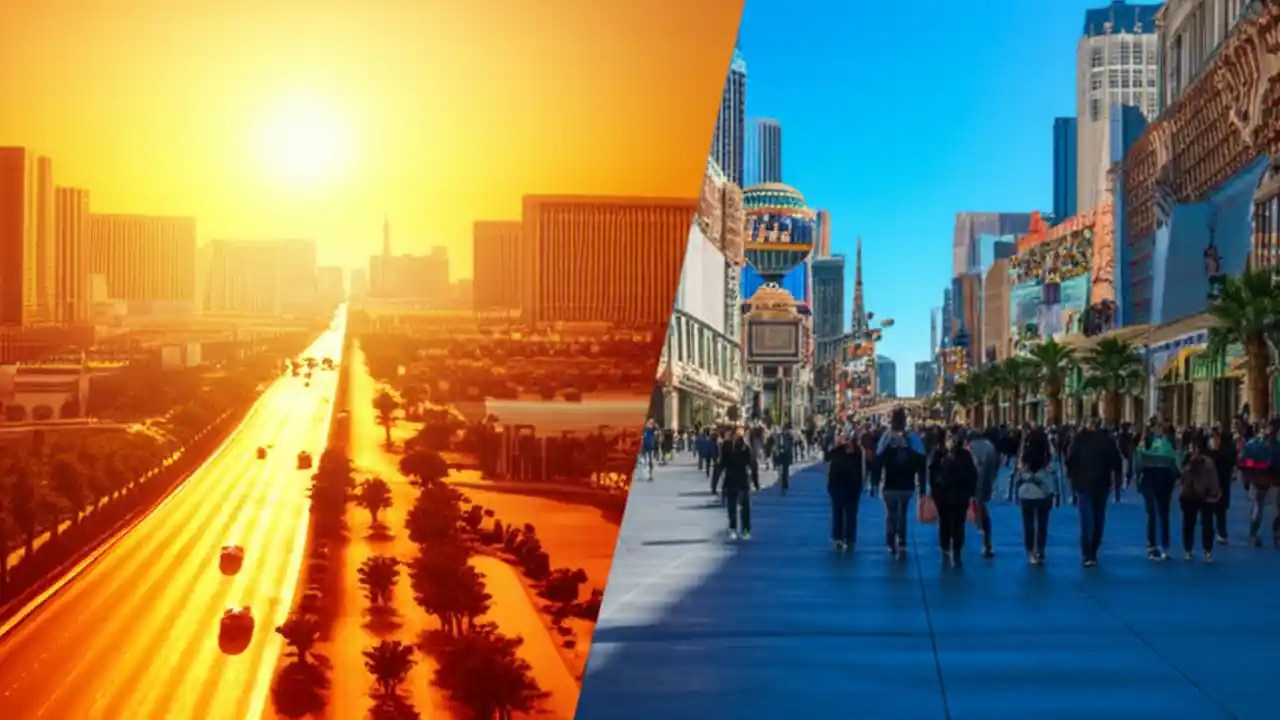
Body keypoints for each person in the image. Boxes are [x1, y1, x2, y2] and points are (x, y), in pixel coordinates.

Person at [1065, 417, 1121, 567]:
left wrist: (1072, 478)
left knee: (1088, 520)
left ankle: (1088, 553)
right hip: (1100, 484)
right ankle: (1091, 552)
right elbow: (1116, 461)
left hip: (1085, 484)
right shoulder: (1106, 440)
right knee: (1097, 519)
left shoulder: (1079, 439)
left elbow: (1070, 460)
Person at [876, 408, 926, 559]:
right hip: (907, 485)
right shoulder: (912, 438)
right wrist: (922, 487)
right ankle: (902, 540)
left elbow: (879, 458)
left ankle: (891, 541)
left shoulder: (886, 438)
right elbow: (921, 458)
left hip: (889, 485)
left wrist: (875, 481)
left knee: (891, 514)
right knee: (902, 513)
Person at [927, 428, 979, 567]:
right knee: (949, 522)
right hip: (948, 495)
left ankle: (953, 549)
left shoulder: (961, 455)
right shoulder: (940, 454)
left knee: (955, 523)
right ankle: (949, 548)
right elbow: (932, 473)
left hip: (956, 495)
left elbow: (972, 475)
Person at [1014, 428, 1064, 565]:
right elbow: (1055, 472)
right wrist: (1056, 493)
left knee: (1028, 523)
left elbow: (1019, 471)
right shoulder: (1048, 455)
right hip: (1044, 493)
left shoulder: (1025, 455)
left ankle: (1030, 551)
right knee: (1042, 524)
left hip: (1026, 493)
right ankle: (1040, 550)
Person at [1135, 424, 1181, 561]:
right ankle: (1163, 546)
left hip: (1150, 479)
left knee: (1153, 514)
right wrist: (1177, 477)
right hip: (1164, 480)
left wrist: (1137, 477)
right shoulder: (1168, 444)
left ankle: (1153, 546)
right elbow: (1176, 462)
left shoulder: (1145, 444)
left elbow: (1138, 462)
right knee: (1162, 513)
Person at [1179, 434, 1221, 563]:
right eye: (1192, 448)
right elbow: (1182, 474)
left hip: (1206, 495)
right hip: (1189, 495)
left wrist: (1214, 494)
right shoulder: (1186, 460)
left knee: (1207, 524)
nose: (1193, 451)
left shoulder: (1208, 463)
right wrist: (1191, 465)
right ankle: (1188, 549)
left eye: (1195, 448)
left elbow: (1213, 479)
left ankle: (1207, 551)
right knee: (1188, 523)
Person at [717, 425, 760, 541]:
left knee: (734, 506)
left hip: (733, 480)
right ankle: (743, 530)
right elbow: (753, 465)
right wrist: (756, 483)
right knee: (742, 506)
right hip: (741, 480)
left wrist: (717, 482)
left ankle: (734, 529)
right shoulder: (745, 447)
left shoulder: (728, 446)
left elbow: (721, 464)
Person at [826, 429, 865, 552]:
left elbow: (827, 458)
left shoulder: (853, 452)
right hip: (844, 486)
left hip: (844, 486)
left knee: (844, 512)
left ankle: (843, 538)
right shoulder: (851, 451)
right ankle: (846, 538)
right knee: (846, 513)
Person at [966, 428, 1001, 558]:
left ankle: (955, 543)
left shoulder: (970, 447)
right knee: (982, 507)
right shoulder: (990, 446)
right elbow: (997, 464)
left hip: (970, 483)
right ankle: (987, 543)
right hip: (986, 481)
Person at [1208, 425, 1237, 544]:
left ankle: (1221, 532)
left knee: (1219, 508)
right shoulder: (1228, 447)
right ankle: (1221, 532)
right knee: (1218, 508)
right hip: (1218, 480)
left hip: (1220, 480)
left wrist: (1216, 450)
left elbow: (1216, 461)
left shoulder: (1223, 449)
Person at [776, 422, 795, 494]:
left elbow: (790, 445)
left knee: (785, 470)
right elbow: (776, 444)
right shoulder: (778, 436)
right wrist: (777, 450)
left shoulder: (789, 436)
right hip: (780, 455)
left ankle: (785, 484)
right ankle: (782, 483)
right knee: (780, 470)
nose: (784, 430)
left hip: (786, 455)